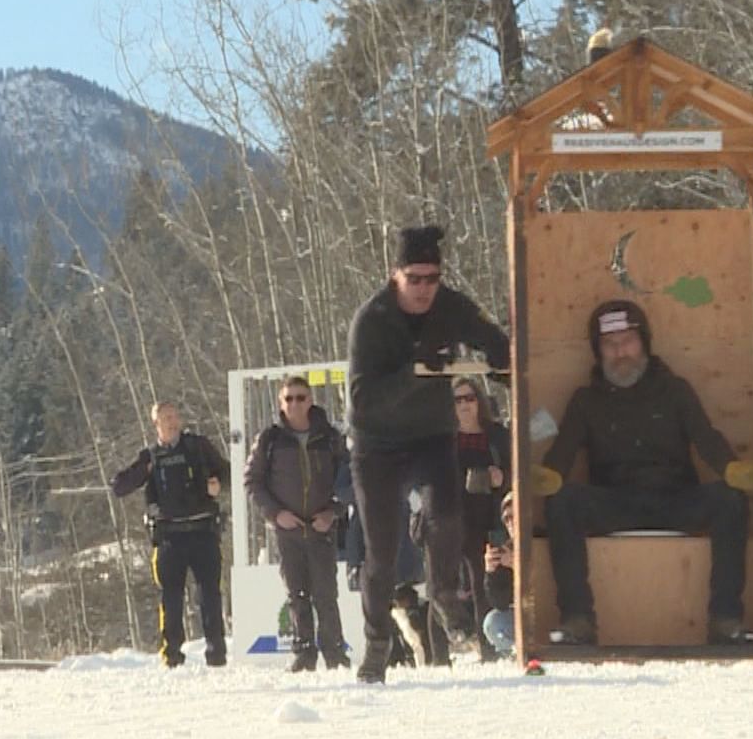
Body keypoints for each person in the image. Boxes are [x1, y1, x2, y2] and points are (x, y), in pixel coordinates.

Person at [536, 300, 753, 644]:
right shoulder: (585, 400)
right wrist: (543, 479)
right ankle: (577, 620)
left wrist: (731, 468)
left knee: (730, 500)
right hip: (615, 503)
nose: (620, 352)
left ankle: (726, 620)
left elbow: (706, 438)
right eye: (610, 345)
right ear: (598, 351)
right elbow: (561, 456)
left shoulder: (675, 390)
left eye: (627, 341)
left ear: (644, 342)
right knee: (562, 502)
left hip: (675, 500)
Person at [345, 225, 510, 683]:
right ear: (394, 275)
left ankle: (444, 595)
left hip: (432, 435)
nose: (423, 289)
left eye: (431, 278)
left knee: (449, 515)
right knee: (382, 549)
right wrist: (414, 371)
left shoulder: (449, 306)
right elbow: (362, 400)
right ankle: (377, 645)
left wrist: (501, 359)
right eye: (414, 279)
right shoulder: (372, 321)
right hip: (376, 443)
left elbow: (488, 336)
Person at [111, 402, 232, 668]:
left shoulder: (198, 447)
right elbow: (119, 487)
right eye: (165, 418)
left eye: (175, 416)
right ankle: (172, 655)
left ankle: (217, 654)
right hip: (169, 537)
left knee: (210, 593)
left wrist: (218, 485)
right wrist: (144, 471)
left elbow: (229, 472)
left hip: (203, 532)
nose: (172, 422)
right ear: (156, 424)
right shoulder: (150, 456)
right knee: (171, 597)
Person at [245, 376, 351, 672]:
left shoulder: (330, 437)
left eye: (300, 397)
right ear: (280, 403)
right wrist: (275, 514)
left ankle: (335, 654)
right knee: (297, 595)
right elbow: (253, 481)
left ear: (311, 400)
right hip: (287, 529)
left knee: (326, 594)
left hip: (322, 528)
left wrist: (333, 511)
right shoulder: (269, 439)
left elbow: (349, 479)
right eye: (288, 398)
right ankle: (304, 654)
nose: (294, 403)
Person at [452, 376, 514, 652]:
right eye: (458, 399)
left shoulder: (497, 435)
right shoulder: (447, 440)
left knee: (491, 579)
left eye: (470, 398)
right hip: (459, 519)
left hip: (494, 517)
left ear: (480, 401)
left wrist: (502, 478)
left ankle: (495, 645)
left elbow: (518, 470)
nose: (465, 405)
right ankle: (447, 653)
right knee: (454, 586)